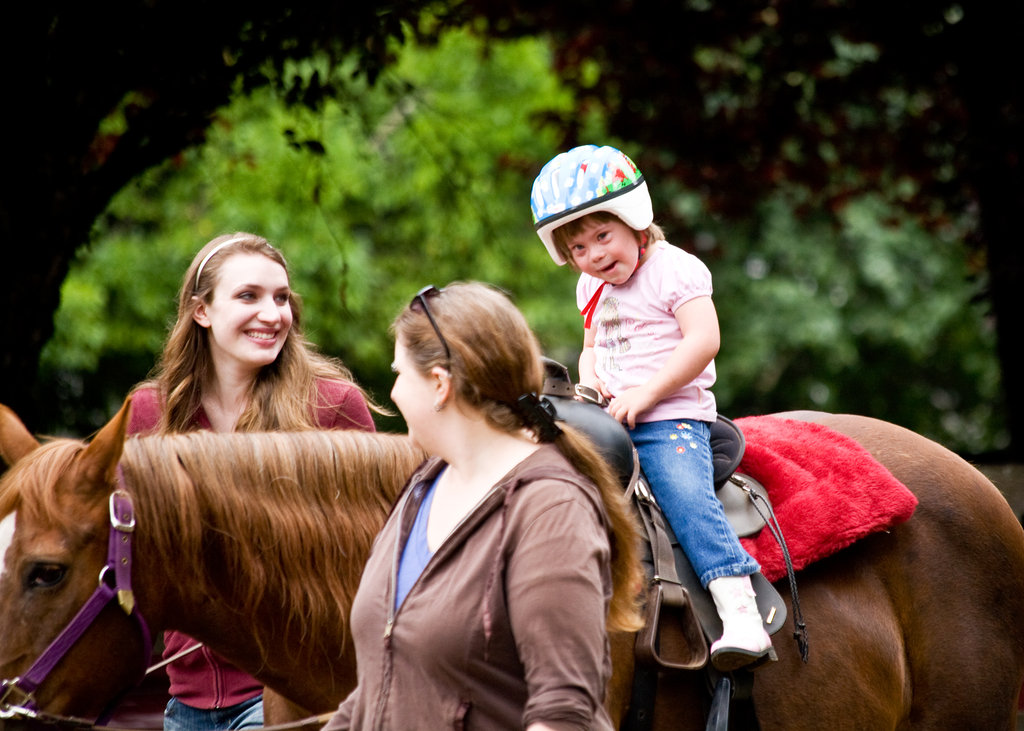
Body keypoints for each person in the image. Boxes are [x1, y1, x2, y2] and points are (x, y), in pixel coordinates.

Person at [323, 282, 644, 730]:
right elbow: (386, 682)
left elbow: (563, 715)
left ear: (440, 384)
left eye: (399, 374)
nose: (393, 392)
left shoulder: (551, 510)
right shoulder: (424, 484)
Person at [530, 144, 774, 671]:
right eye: (578, 247)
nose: (593, 255)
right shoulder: (591, 287)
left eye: (602, 236)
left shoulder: (674, 270)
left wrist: (647, 392)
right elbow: (592, 348)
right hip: (611, 420)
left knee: (684, 496)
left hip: (670, 419)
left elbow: (704, 339)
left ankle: (740, 611)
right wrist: (590, 383)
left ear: (634, 220)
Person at [127, 232, 378, 731]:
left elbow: (377, 549)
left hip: (293, 692)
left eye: (281, 298)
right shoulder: (149, 412)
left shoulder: (331, 406)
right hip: (184, 699)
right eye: (249, 296)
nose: (273, 314)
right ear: (201, 311)